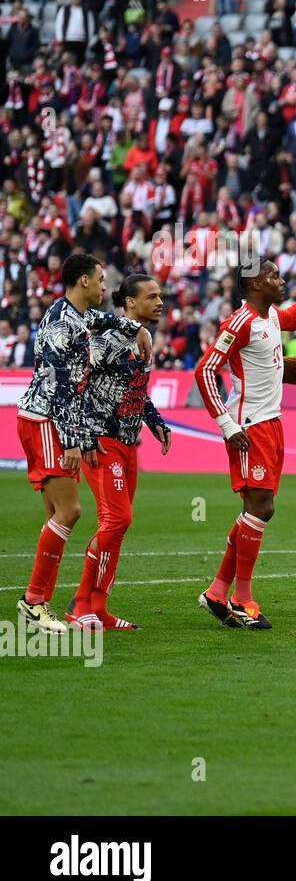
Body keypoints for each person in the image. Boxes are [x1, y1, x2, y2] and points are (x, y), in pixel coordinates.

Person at [194, 252, 296, 628]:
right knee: (261, 508)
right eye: (274, 276)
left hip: (271, 422)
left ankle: (217, 590)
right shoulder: (239, 322)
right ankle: (241, 599)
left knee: (256, 510)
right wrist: (228, 425)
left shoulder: (271, 315)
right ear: (255, 284)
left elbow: (294, 317)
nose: (281, 280)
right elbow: (205, 370)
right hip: (249, 425)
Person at [15, 253, 150, 635]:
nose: (106, 286)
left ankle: (41, 604)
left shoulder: (79, 315)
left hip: (48, 421)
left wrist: (131, 326)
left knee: (57, 516)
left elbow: (105, 319)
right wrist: (74, 439)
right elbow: (59, 383)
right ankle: (34, 601)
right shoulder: (60, 323)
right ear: (85, 281)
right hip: (45, 420)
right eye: (101, 279)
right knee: (70, 511)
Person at [65, 274, 172, 631]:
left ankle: (99, 607)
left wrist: (155, 421)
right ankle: (80, 603)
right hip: (101, 441)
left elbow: (134, 390)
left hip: (128, 443)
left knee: (116, 527)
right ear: (129, 302)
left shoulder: (144, 336)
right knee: (117, 520)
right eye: (151, 296)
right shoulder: (107, 340)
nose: (160, 302)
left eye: (160, 295)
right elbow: (76, 383)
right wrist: (82, 436)